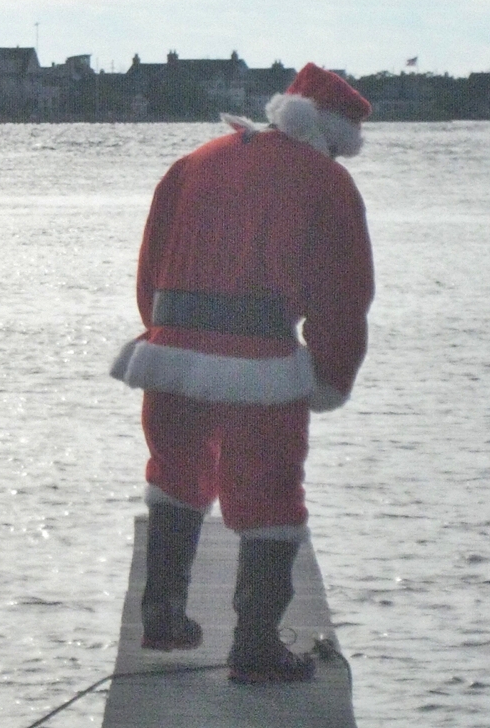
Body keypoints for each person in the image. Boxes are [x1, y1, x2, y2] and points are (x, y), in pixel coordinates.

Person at [111, 63, 374, 684]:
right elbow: (342, 300)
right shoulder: (327, 184)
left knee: (174, 476)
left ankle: (163, 615)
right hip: (259, 370)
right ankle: (255, 648)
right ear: (327, 136)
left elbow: (150, 268)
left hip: (170, 355)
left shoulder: (195, 160)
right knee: (270, 499)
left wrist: (165, 333)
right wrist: (330, 378)